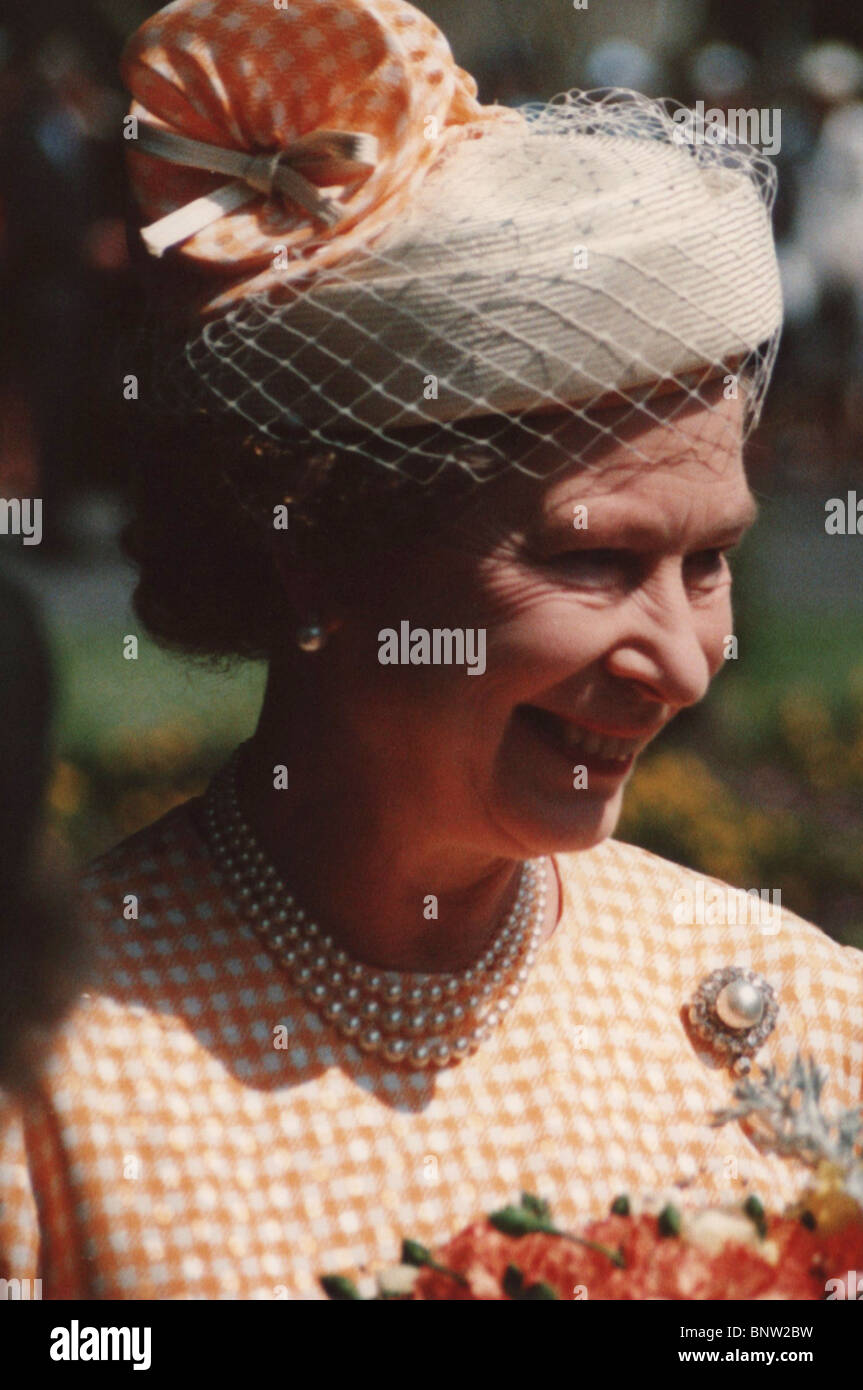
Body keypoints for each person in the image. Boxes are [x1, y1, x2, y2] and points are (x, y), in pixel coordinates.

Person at [1, 0, 860, 1301]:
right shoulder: (56, 1086)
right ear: (317, 541)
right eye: (594, 561)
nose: (685, 663)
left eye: (709, 561)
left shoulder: (803, 1019)